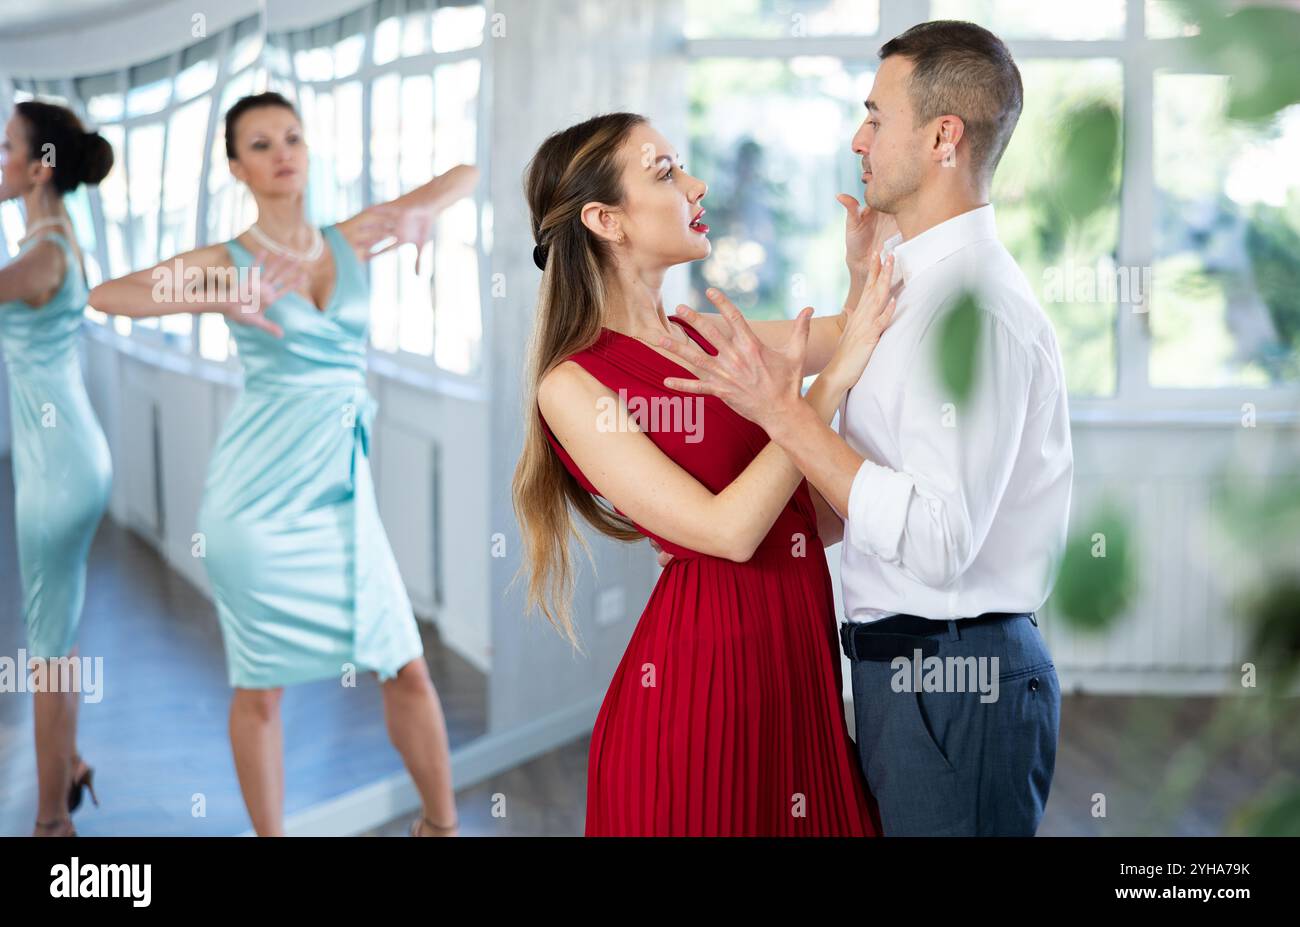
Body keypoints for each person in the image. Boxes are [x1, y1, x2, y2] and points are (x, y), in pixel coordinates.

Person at [657, 21, 1072, 836]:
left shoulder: (975, 310)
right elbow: (865, 491)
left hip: (958, 682)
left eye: (876, 116)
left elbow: (941, 540)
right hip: (909, 679)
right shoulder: (908, 287)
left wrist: (784, 412)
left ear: (943, 137)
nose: (859, 137)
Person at [88, 91, 479, 837]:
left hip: (342, 496)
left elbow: (467, 169)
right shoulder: (227, 259)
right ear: (236, 166)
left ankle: (440, 825)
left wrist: (421, 212)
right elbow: (110, 293)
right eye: (260, 144)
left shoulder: (355, 236)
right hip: (255, 503)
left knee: (406, 666)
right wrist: (215, 295)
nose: (282, 153)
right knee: (262, 690)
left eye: (291, 137)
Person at [513, 112, 898, 836]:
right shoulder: (573, 386)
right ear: (605, 219)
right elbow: (728, 532)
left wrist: (861, 263)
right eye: (663, 172)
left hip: (799, 685)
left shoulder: (708, 335)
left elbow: (855, 337)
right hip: (698, 700)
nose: (696, 185)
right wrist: (810, 401)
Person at [0, 100, 114, 837]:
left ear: (40, 165)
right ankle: (68, 767)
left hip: (55, 471)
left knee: (47, 652)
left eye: (4, 145)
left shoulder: (43, 253)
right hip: (68, 454)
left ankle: (49, 825)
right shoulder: (49, 238)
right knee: (59, 636)